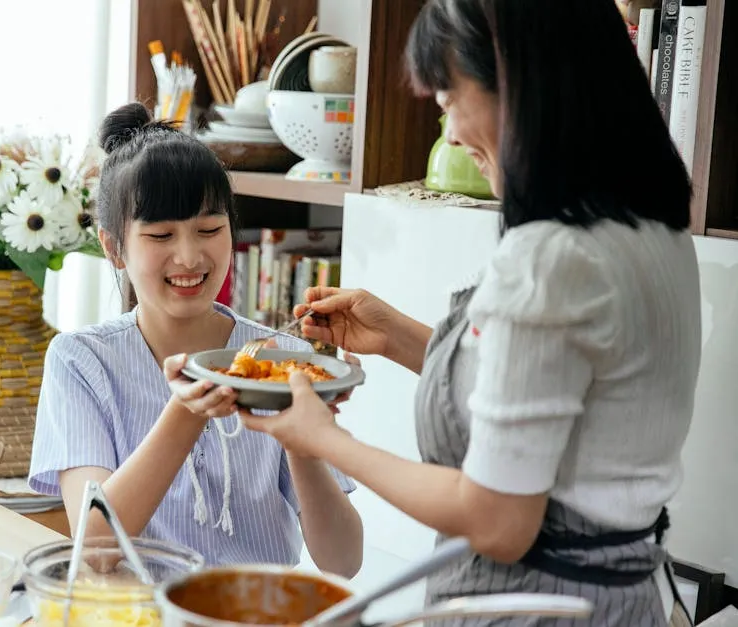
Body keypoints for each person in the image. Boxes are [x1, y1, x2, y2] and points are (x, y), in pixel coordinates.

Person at [240, 0, 700, 624]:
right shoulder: (655, 234)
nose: (451, 133)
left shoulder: (549, 261)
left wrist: (323, 439)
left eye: (450, 97)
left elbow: (498, 520)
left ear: (520, 84)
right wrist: (400, 335)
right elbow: (557, 397)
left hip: (532, 608)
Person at [27, 102, 363, 577]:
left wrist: (302, 442)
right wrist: (187, 409)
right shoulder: (81, 361)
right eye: (161, 235)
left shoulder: (285, 360)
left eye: (209, 229)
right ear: (113, 247)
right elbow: (96, 548)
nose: (189, 256)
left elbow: (344, 562)